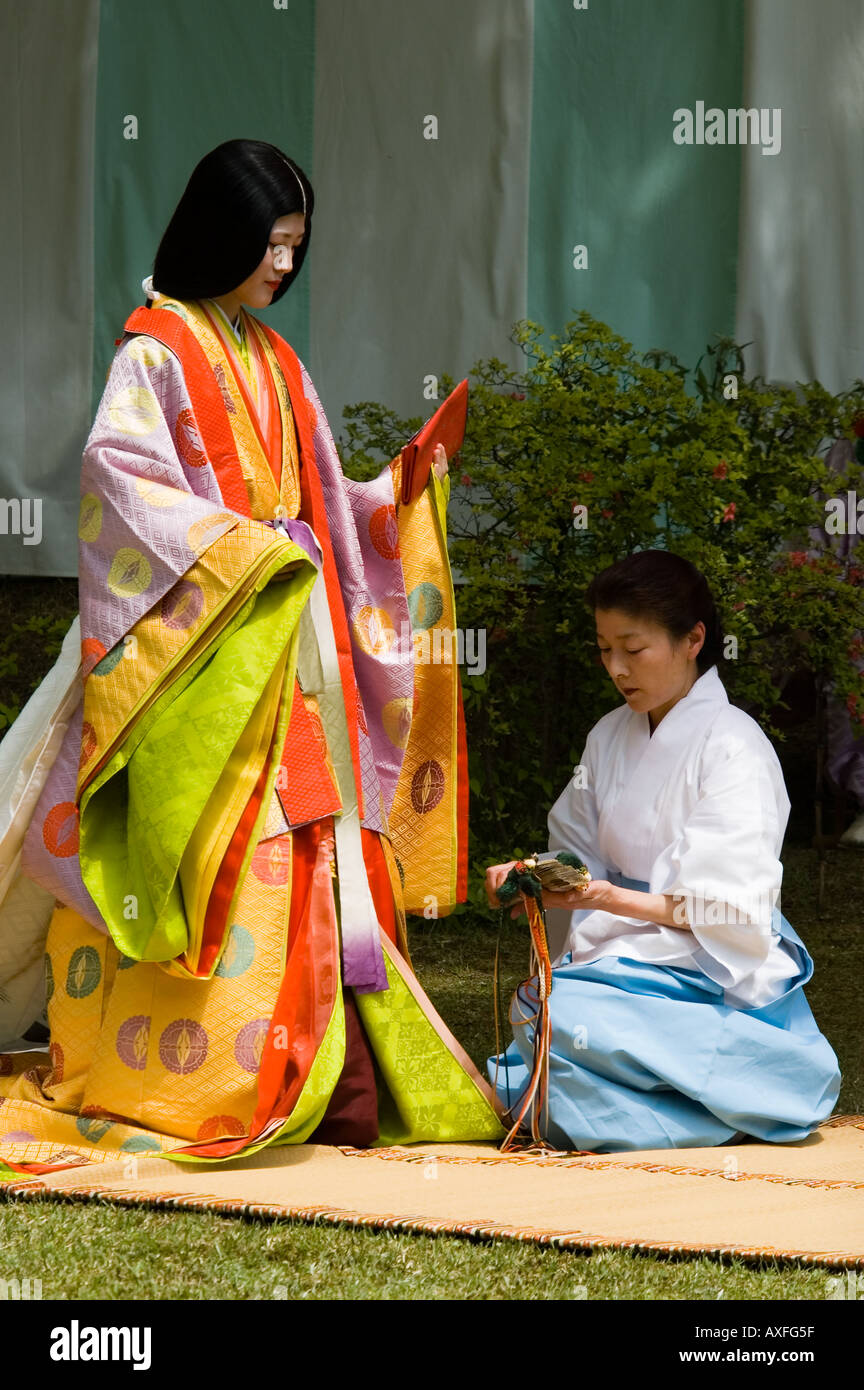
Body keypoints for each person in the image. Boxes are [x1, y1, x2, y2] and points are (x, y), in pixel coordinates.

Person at [0, 139, 502, 1174]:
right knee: (226, 845)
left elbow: (323, 501)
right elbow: (121, 485)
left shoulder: (276, 360)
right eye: (272, 244)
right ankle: (201, 1071)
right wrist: (249, 553)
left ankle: (328, 1070)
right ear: (223, 233)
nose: (283, 266)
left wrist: (393, 497)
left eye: (295, 248)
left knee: (316, 841)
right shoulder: (155, 350)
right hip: (197, 645)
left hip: (285, 633)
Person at [485, 550, 841, 1152]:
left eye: (633, 647)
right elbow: (577, 851)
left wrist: (602, 896)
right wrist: (538, 880)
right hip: (621, 943)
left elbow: (723, 911)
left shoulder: (736, 748)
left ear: (692, 639)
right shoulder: (608, 735)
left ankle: (731, 1091)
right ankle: (674, 1105)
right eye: (604, 650)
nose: (617, 668)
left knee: (564, 1020)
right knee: (540, 1010)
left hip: (701, 960)